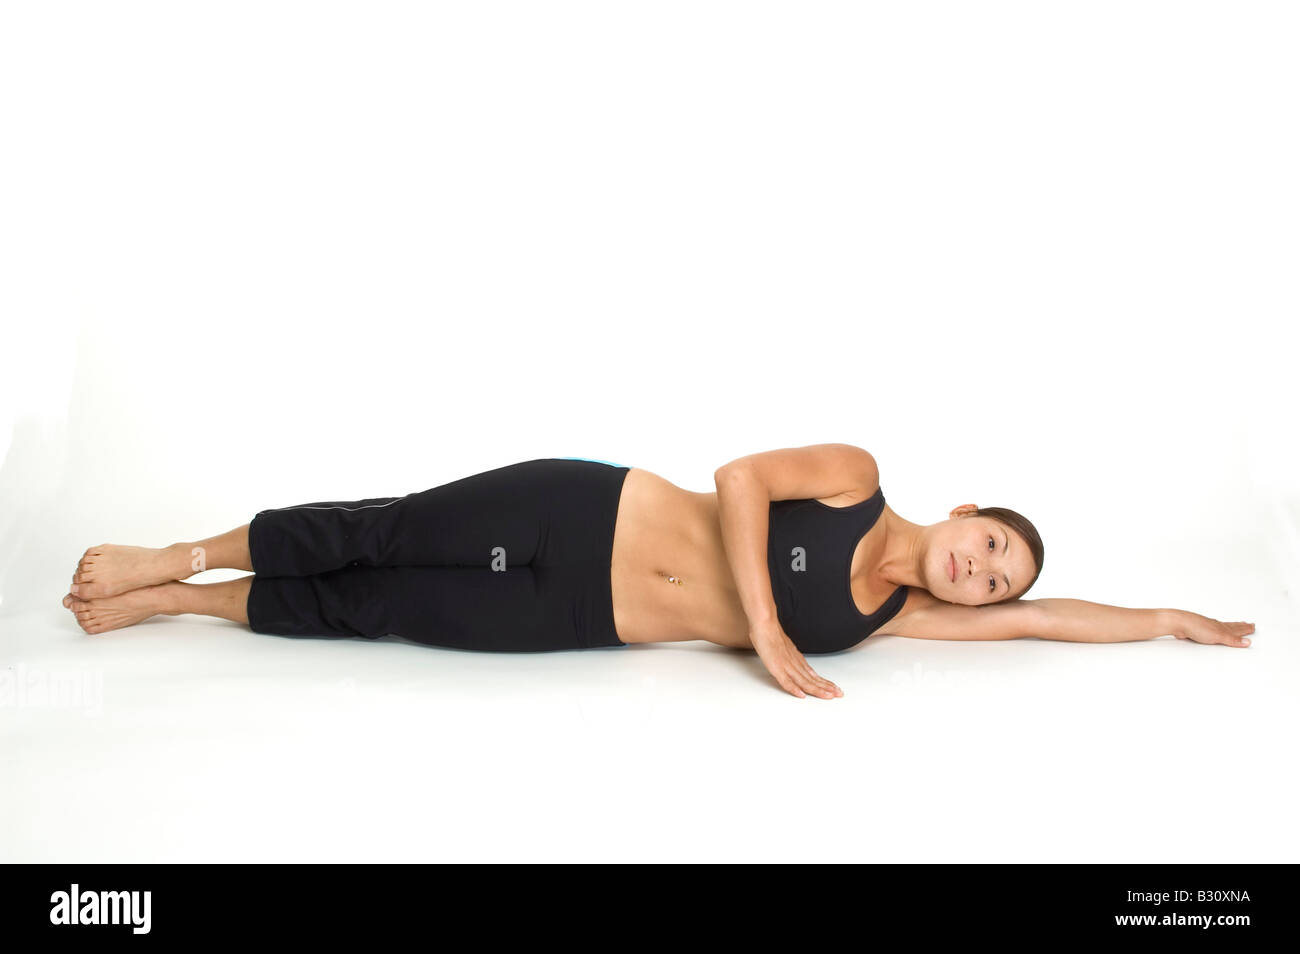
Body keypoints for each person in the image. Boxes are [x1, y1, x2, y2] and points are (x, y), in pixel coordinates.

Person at [61, 444, 1255, 699]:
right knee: (382, 531)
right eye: (992, 546)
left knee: (383, 611)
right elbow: (738, 478)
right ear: (963, 511)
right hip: (585, 510)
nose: (984, 575)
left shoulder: (894, 622)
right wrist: (769, 632)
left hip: (583, 615)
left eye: (995, 581)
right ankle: (181, 552)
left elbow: (1051, 625)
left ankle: (181, 604)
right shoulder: (854, 478)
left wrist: (1169, 617)